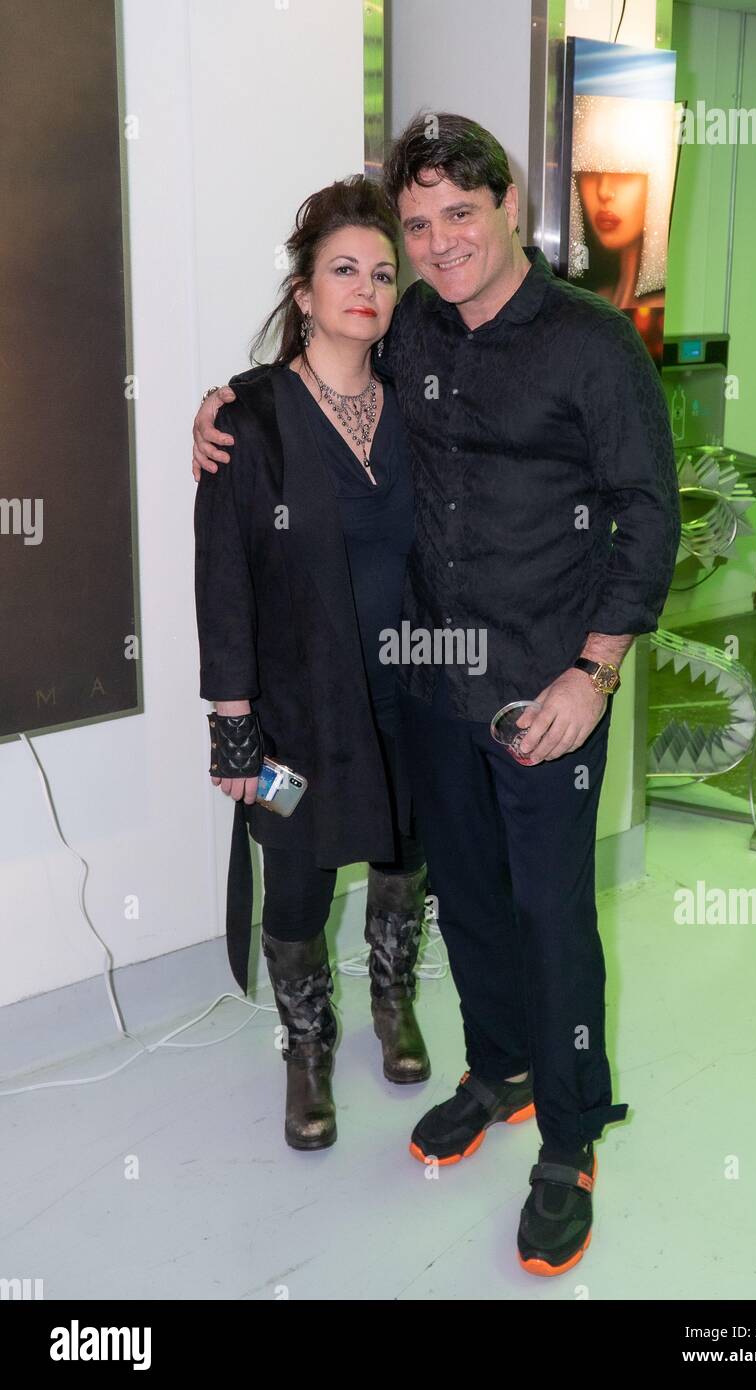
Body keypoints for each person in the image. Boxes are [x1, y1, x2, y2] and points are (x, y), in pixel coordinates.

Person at [193, 114, 681, 1276]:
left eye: (459, 213)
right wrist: (220, 408)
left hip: (545, 696)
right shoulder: (413, 323)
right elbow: (315, 362)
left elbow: (648, 515)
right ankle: (500, 1068)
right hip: (435, 691)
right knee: (464, 898)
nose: (437, 240)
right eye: (417, 225)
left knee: (552, 916)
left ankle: (568, 1138)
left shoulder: (591, 345)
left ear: (508, 204)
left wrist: (593, 671)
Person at [194, 175, 430, 1155]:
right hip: (292, 718)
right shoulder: (249, 417)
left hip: (405, 696)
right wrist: (234, 725)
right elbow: (223, 580)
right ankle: (305, 1046)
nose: (366, 287)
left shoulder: (419, 405)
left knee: (403, 853)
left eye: (383, 272)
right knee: (293, 874)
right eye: (345, 269)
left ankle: (393, 996)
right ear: (304, 292)